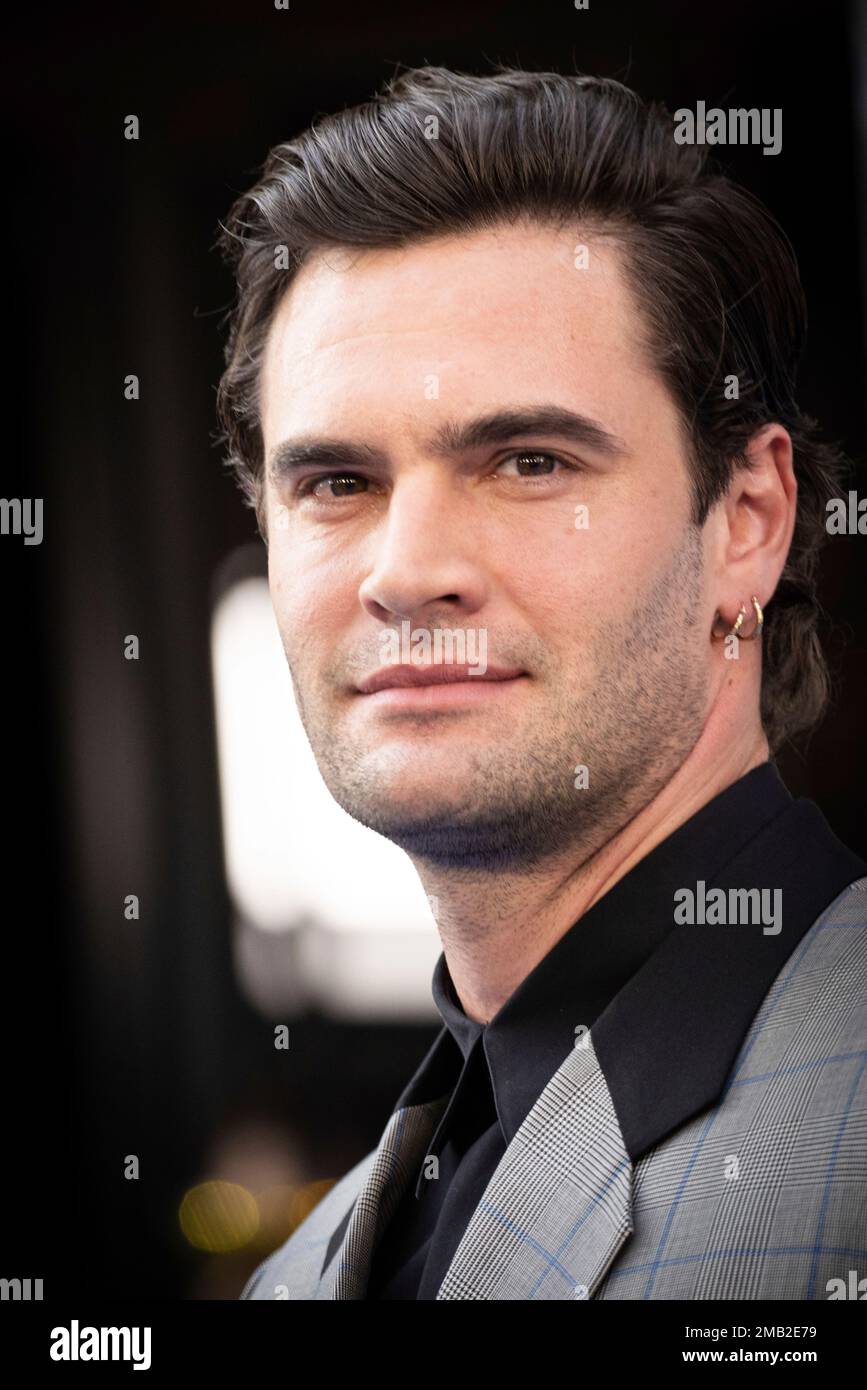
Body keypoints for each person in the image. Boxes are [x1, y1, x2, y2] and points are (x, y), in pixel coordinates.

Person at [217, 65, 867, 1300]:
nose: (407, 573)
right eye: (338, 483)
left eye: (527, 460)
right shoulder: (300, 1274)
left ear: (746, 521)